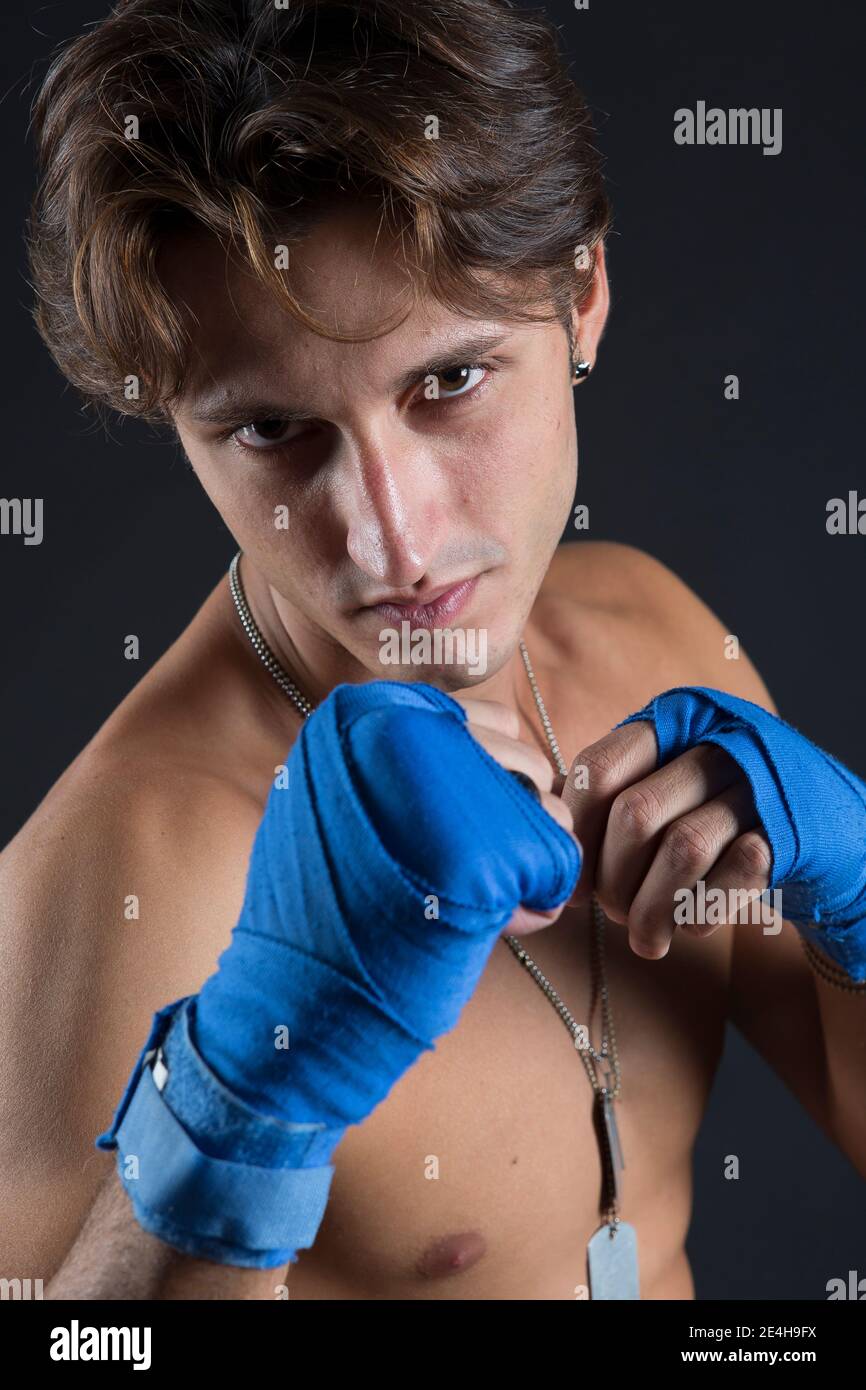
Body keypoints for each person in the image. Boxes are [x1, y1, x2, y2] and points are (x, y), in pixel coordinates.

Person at [3, 0, 863, 1302]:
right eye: (272, 432)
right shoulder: (135, 867)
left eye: (446, 384)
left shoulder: (653, 632)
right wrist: (243, 1107)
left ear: (581, 296)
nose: (389, 534)